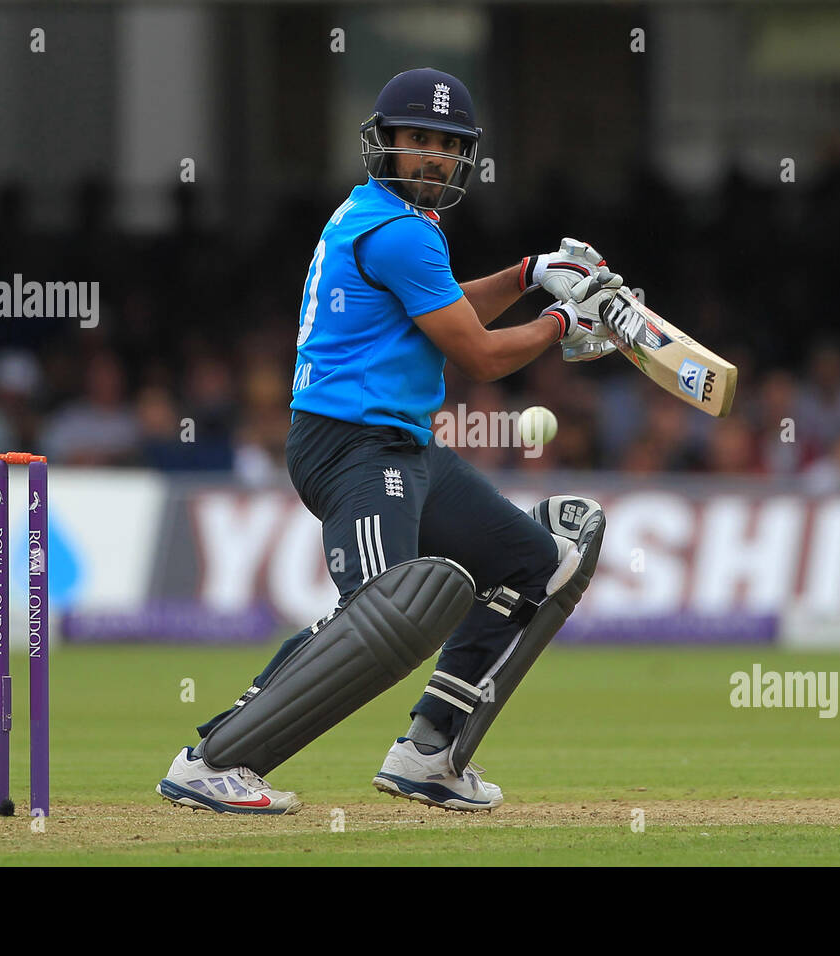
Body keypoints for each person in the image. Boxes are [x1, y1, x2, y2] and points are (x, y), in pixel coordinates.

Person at [156, 67, 619, 814]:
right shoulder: (397, 231)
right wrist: (567, 323)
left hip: (401, 445)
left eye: (448, 144)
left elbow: (447, 309)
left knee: (538, 563)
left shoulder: (401, 226)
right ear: (385, 144)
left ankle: (430, 752)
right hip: (351, 446)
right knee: (385, 610)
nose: (433, 156)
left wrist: (537, 275)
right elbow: (480, 355)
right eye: (418, 141)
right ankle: (214, 758)